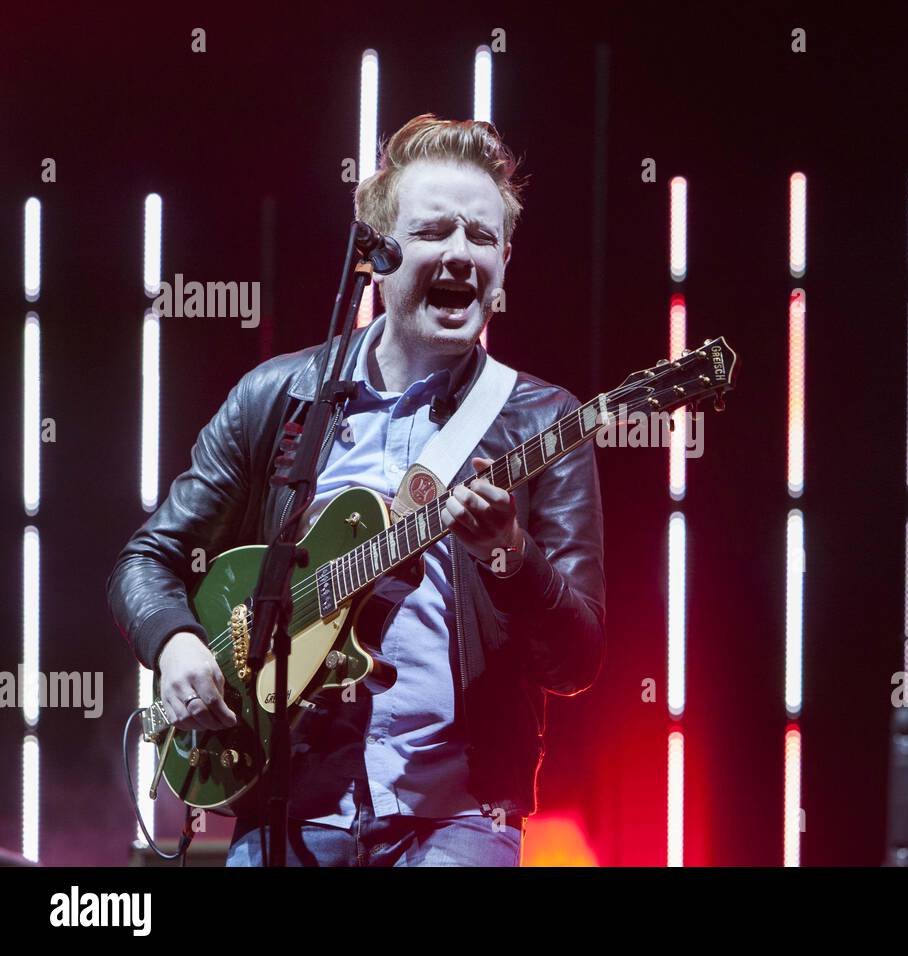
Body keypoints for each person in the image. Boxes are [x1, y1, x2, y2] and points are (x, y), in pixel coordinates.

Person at [107, 114, 606, 866]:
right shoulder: (279, 396)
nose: (461, 254)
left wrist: (510, 556)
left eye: (482, 236)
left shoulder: (540, 420)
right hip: (289, 806)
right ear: (377, 252)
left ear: (505, 259)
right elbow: (147, 559)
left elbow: (576, 659)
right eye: (436, 230)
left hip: (458, 818)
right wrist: (175, 641)